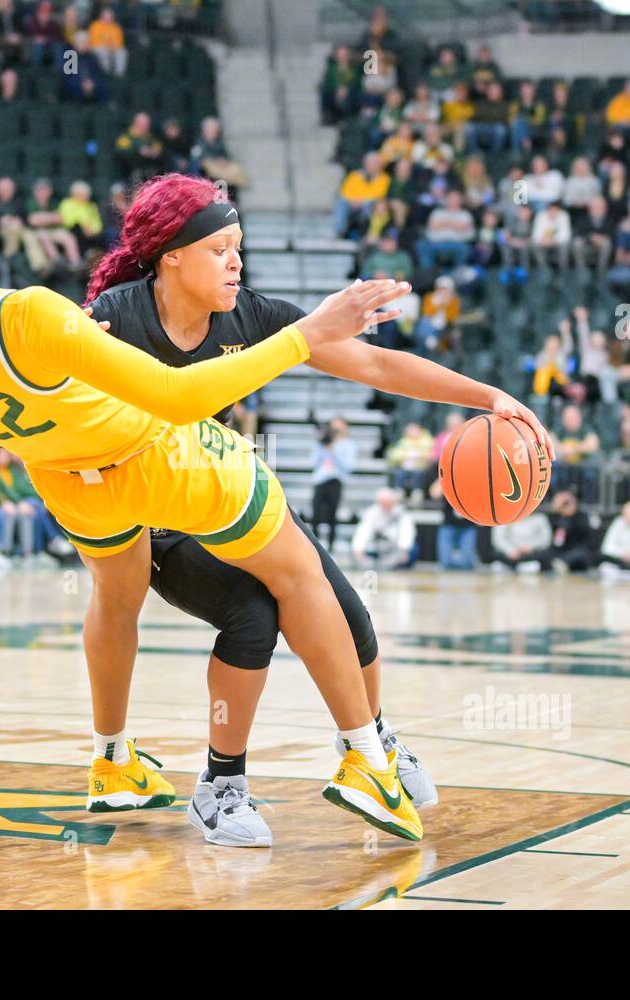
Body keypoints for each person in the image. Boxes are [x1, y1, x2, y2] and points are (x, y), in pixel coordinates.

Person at [0, 173, 435, 841]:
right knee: (299, 575)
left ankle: (114, 761)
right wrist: (306, 334)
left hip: (67, 484)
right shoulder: (25, 314)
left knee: (116, 601)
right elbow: (176, 400)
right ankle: (367, 760)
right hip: (159, 458)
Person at [82, 172, 551, 846]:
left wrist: (487, 398)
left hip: (218, 491)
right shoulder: (111, 318)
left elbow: (379, 367)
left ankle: (373, 744)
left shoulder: (250, 315)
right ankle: (220, 786)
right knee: (252, 616)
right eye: (219, 249)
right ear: (171, 257)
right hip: (146, 517)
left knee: (344, 606)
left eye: (239, 246)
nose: (236, 261)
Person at [309, 417, 354, 550]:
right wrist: (322, 444)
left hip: (336, 479)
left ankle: (331, 546)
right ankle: (313, 544)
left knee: (332, 513)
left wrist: (333, 450)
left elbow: (347, 467)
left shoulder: (348, 444)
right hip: (320, 479)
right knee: (315, 512)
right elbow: (314, 463)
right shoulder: (321, 442)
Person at [351, 488, 416, 569]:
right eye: (383, 503)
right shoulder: (372, 513)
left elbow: (407, 532)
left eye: (388, 503)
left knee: (412, 551)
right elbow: (363, 531)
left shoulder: (402, 513)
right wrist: (358, 549)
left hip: (397, 549)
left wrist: (403, 550)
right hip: (378, 548)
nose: (385, 505)